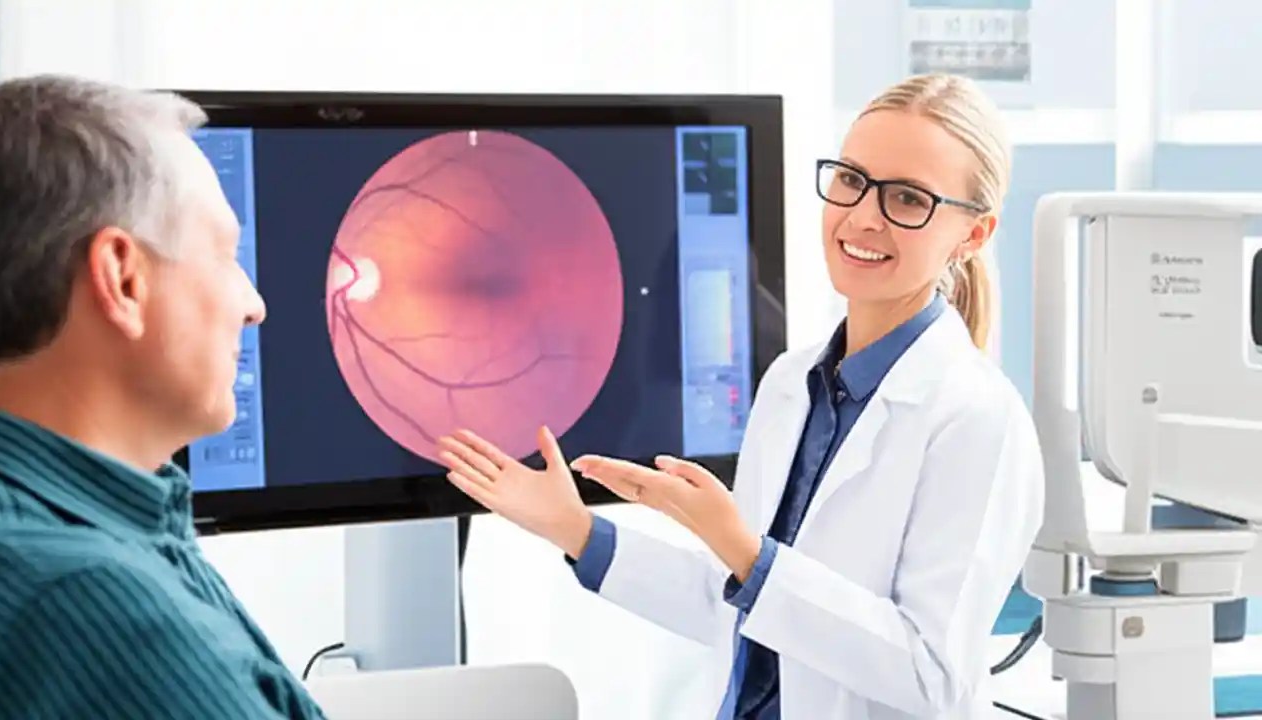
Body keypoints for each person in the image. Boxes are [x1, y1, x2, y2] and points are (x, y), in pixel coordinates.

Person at [439, 72, 1046, 719]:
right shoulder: (792, 383)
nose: (864, 216)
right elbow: (738, 605)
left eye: (907, 199)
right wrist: (574, 528)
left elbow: (932, 676)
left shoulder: (977, 419)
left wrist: (746, 551)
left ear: (974, 234)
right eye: (851, 180)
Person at [0, 75, 326, 719]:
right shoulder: (90, 605)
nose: (254, 304)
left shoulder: (85, 528)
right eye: (228, 256)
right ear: (123, 277)